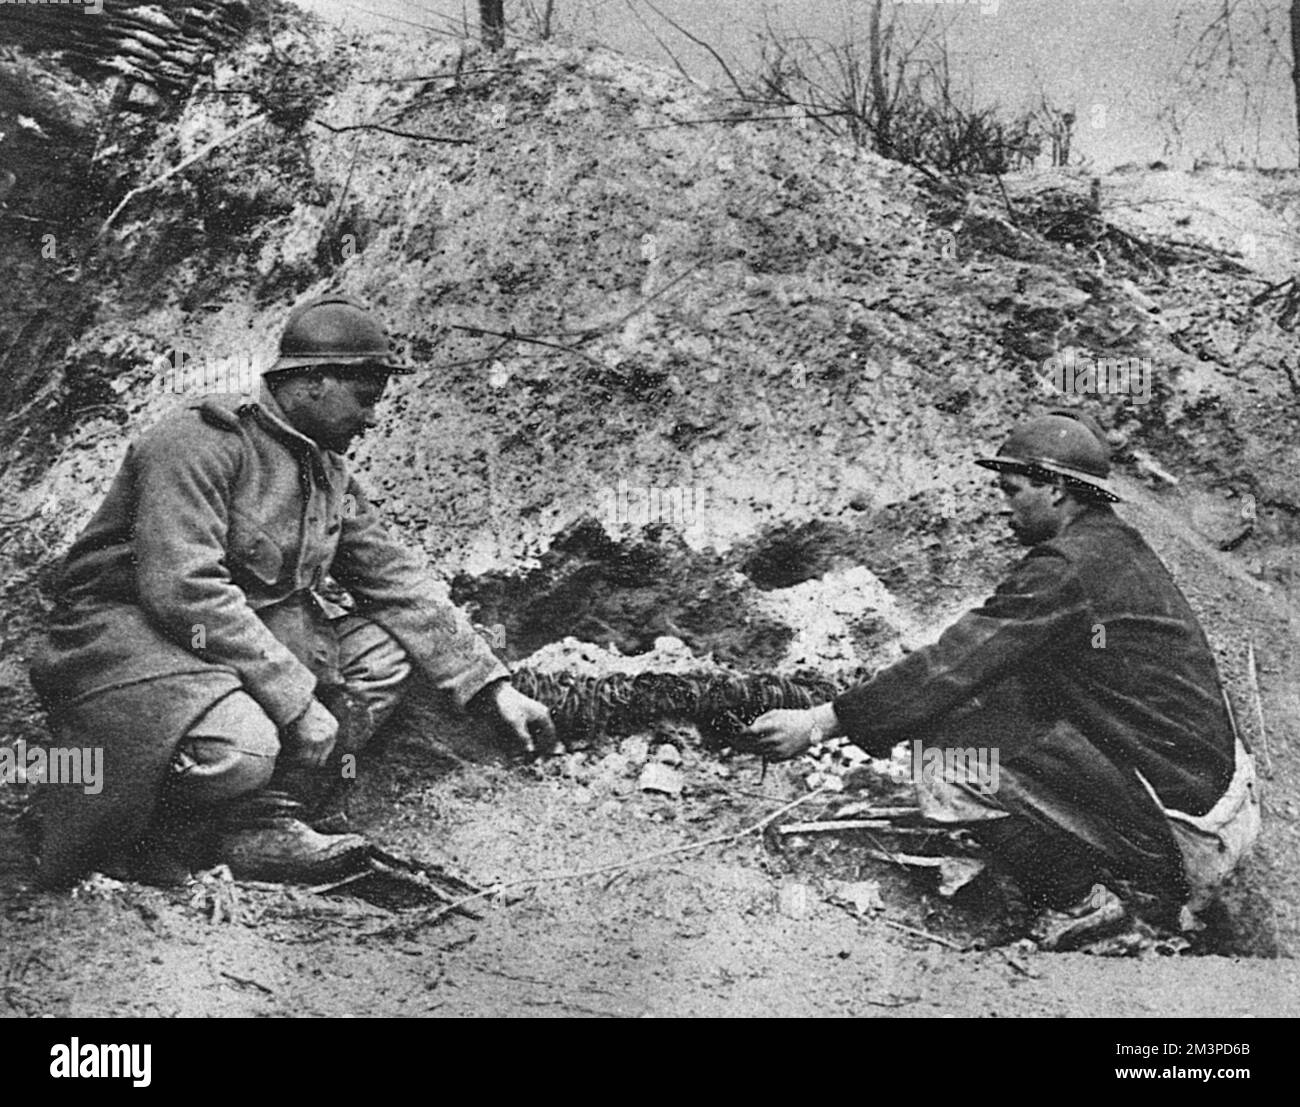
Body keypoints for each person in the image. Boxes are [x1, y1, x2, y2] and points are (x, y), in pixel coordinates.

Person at [27, 295, 555, 887]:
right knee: (241, 750)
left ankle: (260, 826)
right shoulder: (199, 442)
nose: (373, 418)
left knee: (384, 653)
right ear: (312, 382)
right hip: (133, 642)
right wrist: (297, 702)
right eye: (365, 399)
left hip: (228, 645)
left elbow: (395, 578)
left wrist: (493, 686)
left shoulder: (327, 472)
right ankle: (163, 839)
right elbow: (182, 588)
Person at [742, 412, 1260, 945]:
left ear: (1054, 488)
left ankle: (1086, 905)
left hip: (1185, 829)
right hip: (1209, 800)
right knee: (987, 710)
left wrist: (819, 724)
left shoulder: (1066, 567)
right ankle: (1120, 869)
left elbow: (954, 661)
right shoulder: (1114, 546)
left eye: (1012, 490)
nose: (1004, 504)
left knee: (944, 762)